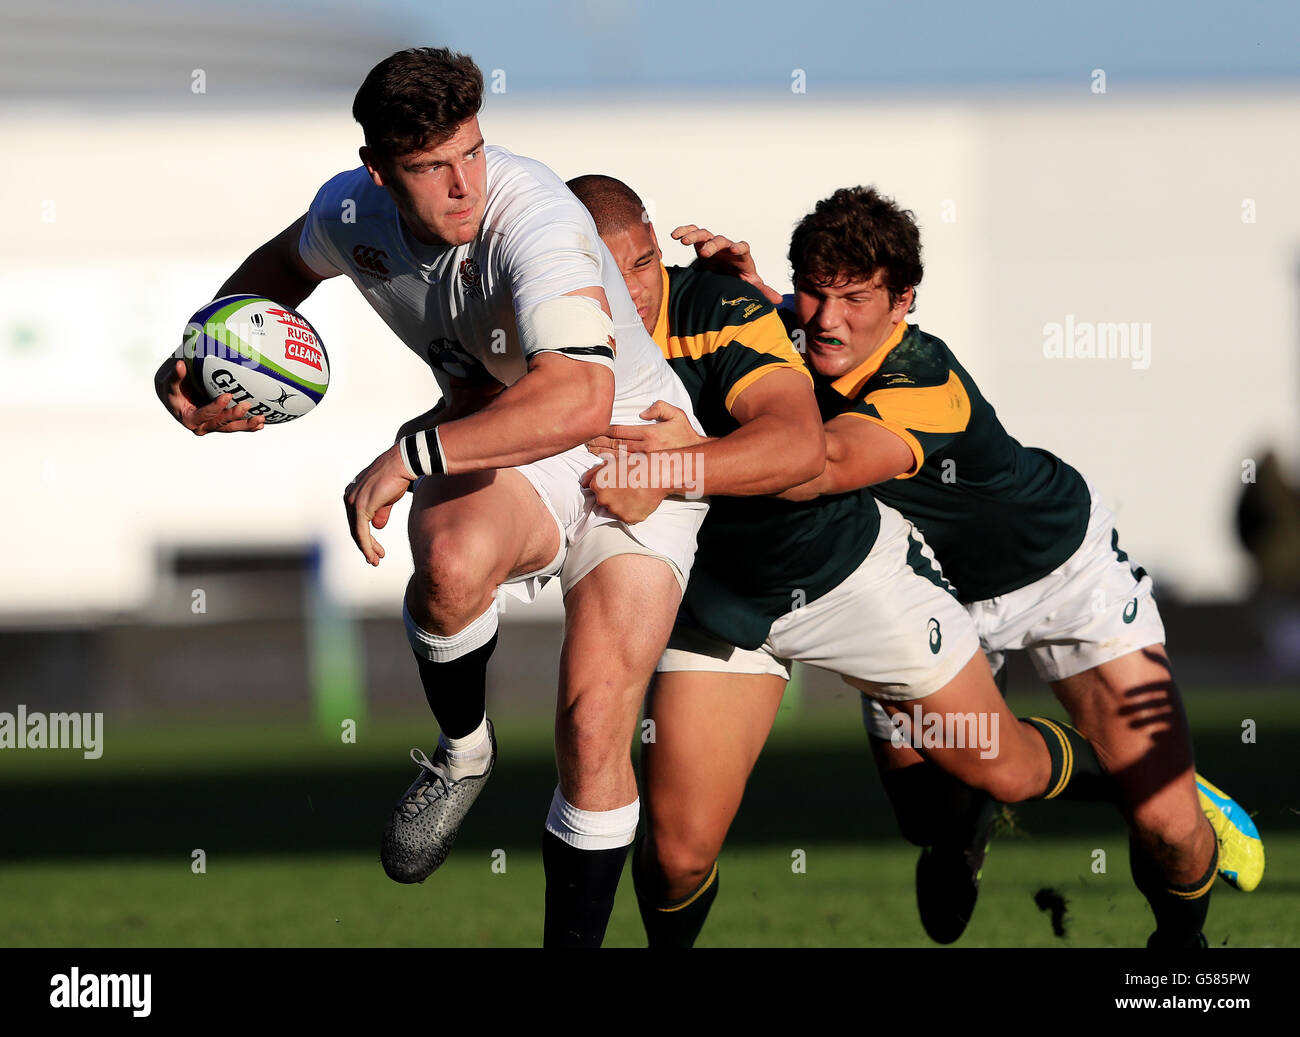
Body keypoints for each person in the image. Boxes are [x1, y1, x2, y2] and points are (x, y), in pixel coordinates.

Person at [155, 46, 731, 948]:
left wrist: (412, 451)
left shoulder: (534, 215)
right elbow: (281, 265)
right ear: (380, 172)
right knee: (451, 562)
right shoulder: (351, 211)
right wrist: (195, 355)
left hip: (634, 449)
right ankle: (464, 749)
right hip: (517, 443)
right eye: (432, 167)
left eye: (473, 151)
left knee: (591, 729)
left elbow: (578, 397)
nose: (464, 185)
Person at [650, 189, 1264, 947]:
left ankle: (1181, 948)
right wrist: (743, 299)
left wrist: (669, 464)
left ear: (903, 300)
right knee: (925, 818)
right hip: (919, 591)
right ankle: (965, 826)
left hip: (1055, 576)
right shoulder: (789, 336)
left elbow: (820, 461)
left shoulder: (923, 382)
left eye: (855, 297)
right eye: (813, 289)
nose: (827, 317)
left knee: (1167, 825)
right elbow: (778, 325)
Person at [570, 174, 1132, 949]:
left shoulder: (716, 308)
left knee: (1000, 770)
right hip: (723, 603)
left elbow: (807, 453)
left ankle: (1142, 783)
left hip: (848, 575)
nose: (630, 289)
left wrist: (671, 466)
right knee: (675, 853)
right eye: (604, 268)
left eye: (640, 263)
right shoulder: (554, 331)